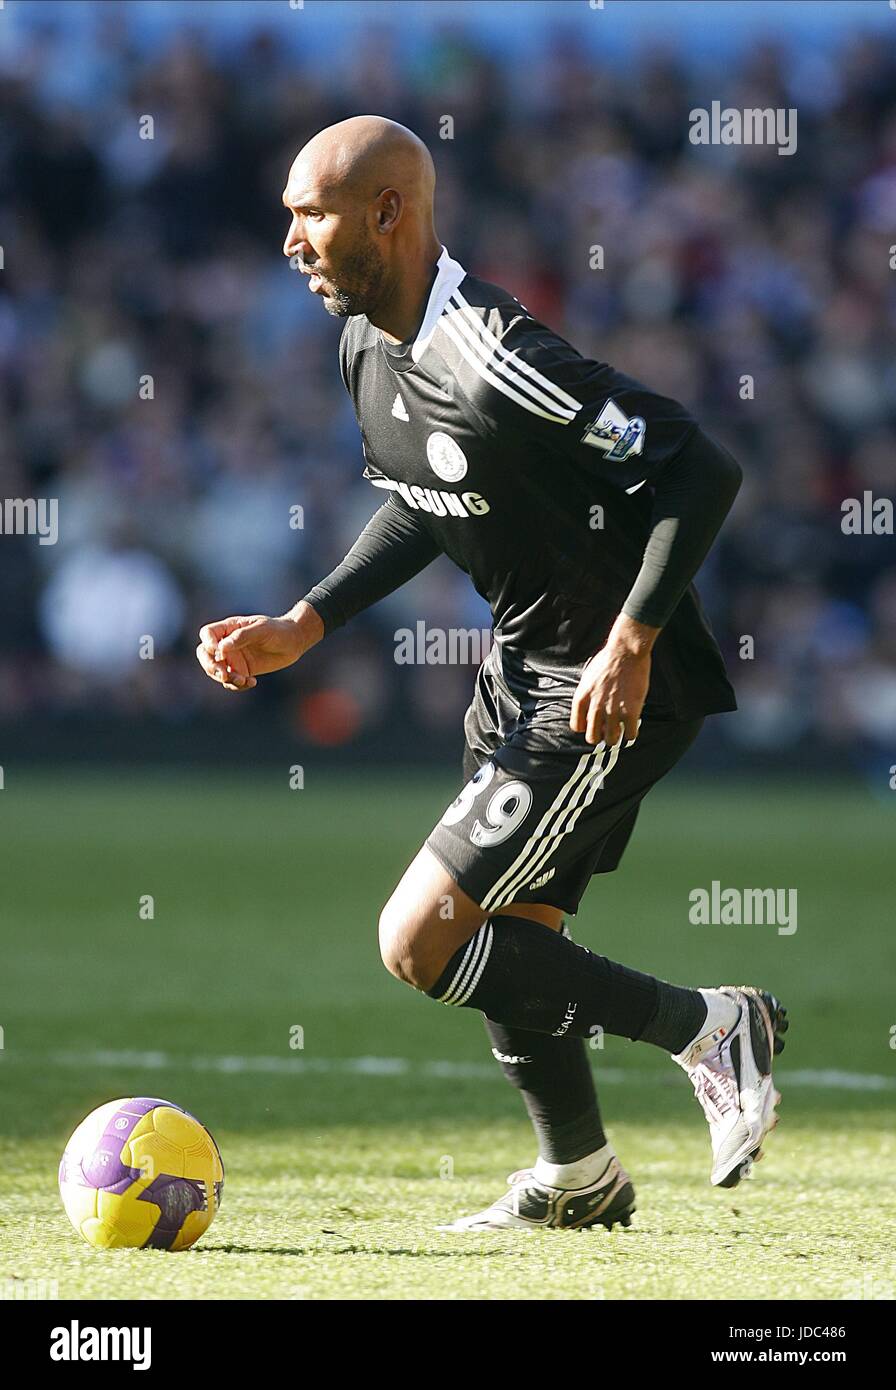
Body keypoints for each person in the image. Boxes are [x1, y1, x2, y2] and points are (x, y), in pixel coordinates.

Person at [197, 116, 787, 1232]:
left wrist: (631, 640)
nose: (289, 242)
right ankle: (577, 1176)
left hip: (604, 684)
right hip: (522, 668)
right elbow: (427, 498)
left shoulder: (493, 350)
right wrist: (303, 623)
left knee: (418, 938)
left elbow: (699, 469)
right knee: (514, 934)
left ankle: (708, 1025)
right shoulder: (364, 344)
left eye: (308, 214)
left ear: (388, 213)